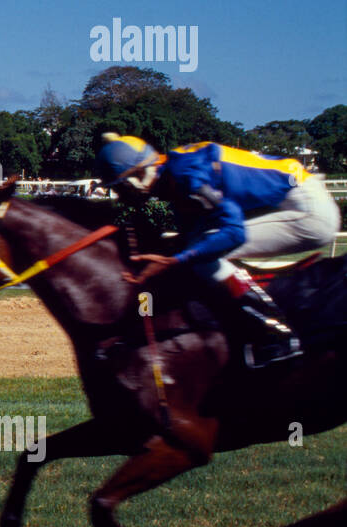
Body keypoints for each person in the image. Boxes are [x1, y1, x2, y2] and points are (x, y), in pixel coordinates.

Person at [95, 132, 341, 368]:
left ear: (138, 175)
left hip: (309, 211)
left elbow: (234, 232)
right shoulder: (172, 173)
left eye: (120, 188)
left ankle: (275, 333)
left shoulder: (186, 174)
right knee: (193, 249)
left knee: (201, 257)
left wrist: (177, 259)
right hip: (289, 195)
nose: (120, 197)